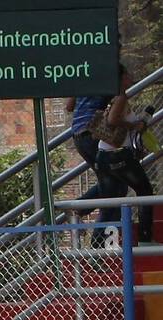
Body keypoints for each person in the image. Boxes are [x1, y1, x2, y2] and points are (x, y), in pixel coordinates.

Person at [94, 66, 154, 247]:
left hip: (103, 154)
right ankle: (145, 238)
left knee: (110, 202)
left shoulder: (110, 96)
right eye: (127, 74)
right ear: (121, 78)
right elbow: (112, 121)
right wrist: (134, 126)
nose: (131, 76)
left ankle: (97, 247)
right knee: (145, 191)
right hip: (118, 156)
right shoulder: (120, 97)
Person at [65, 90, 114, 244]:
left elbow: (69, 106)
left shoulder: (83, 76)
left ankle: (79, 209)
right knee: (112, 185)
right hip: (92, 133)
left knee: (111, 183)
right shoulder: (104, 76)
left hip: (78, 133)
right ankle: (98, 241)